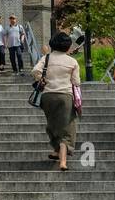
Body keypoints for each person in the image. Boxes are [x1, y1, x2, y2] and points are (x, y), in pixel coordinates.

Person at [31, 32, 79, 172]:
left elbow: (35, 71)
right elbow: (76, 82)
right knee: (67, 127)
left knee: (52, 125)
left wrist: (42, 79)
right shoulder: (72, 62)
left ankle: (57, 151)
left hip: (48, 96)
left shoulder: (46, 58)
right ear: (67, 46)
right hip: (65, 96)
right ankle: (63, 161)